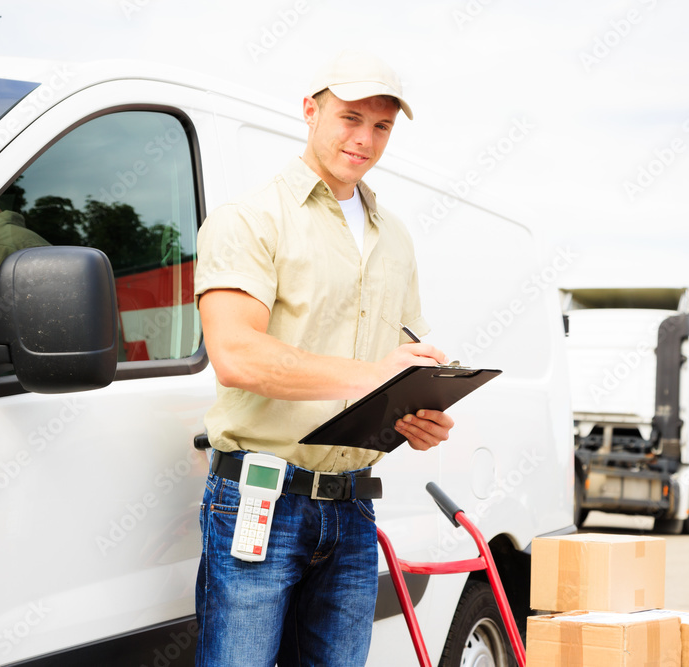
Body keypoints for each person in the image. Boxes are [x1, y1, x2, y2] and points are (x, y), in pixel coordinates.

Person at [192, 50, 455, 666]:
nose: (364, 139)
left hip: (354, 508)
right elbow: (236, 355)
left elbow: (398, 363)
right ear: (310, 111)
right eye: (350, 118)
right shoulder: (249, 219)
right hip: (260, 501)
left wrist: (415, 413)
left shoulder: (395, 238)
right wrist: (376, 378)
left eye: (382, 126)